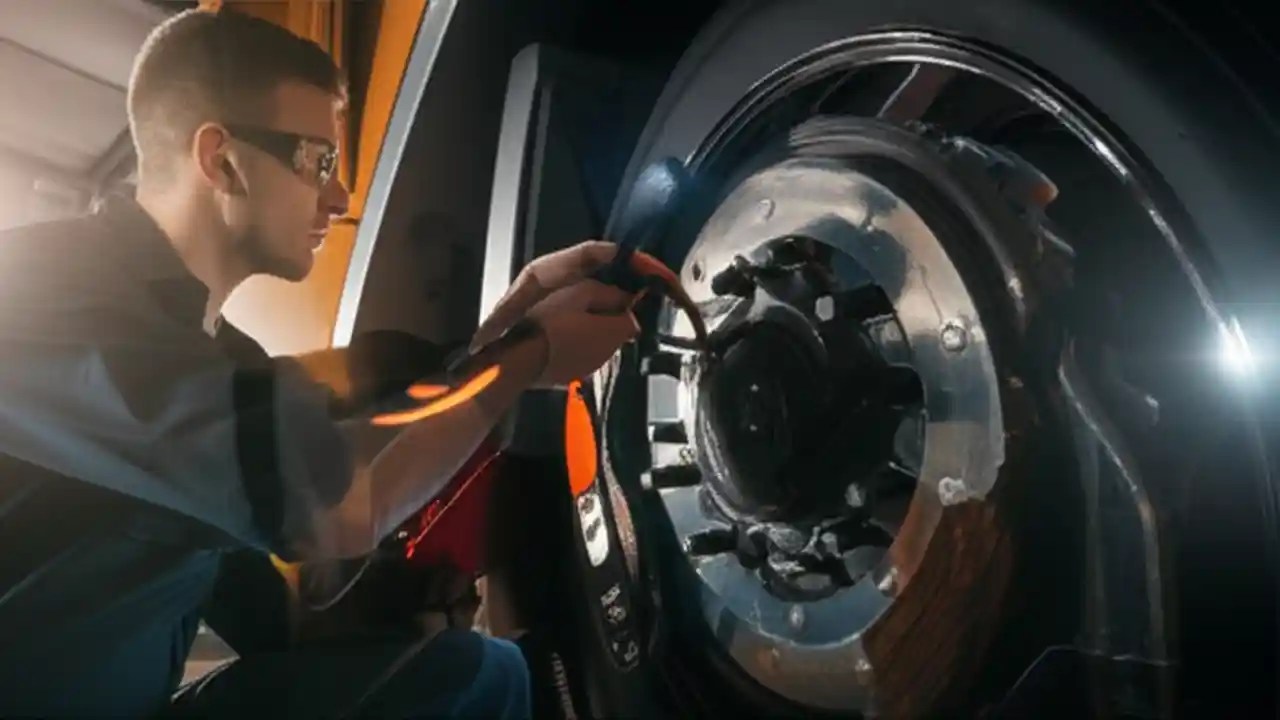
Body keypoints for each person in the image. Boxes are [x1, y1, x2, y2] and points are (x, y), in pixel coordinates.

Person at [0, 7, 640, 719]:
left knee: (471, 674)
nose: (337, 198)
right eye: (319, 160)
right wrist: (529, 355)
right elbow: (328, 500)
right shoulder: (32, 292)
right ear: (223, 160)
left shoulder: (219, 361)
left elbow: (275, 616)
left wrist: (499, 335)